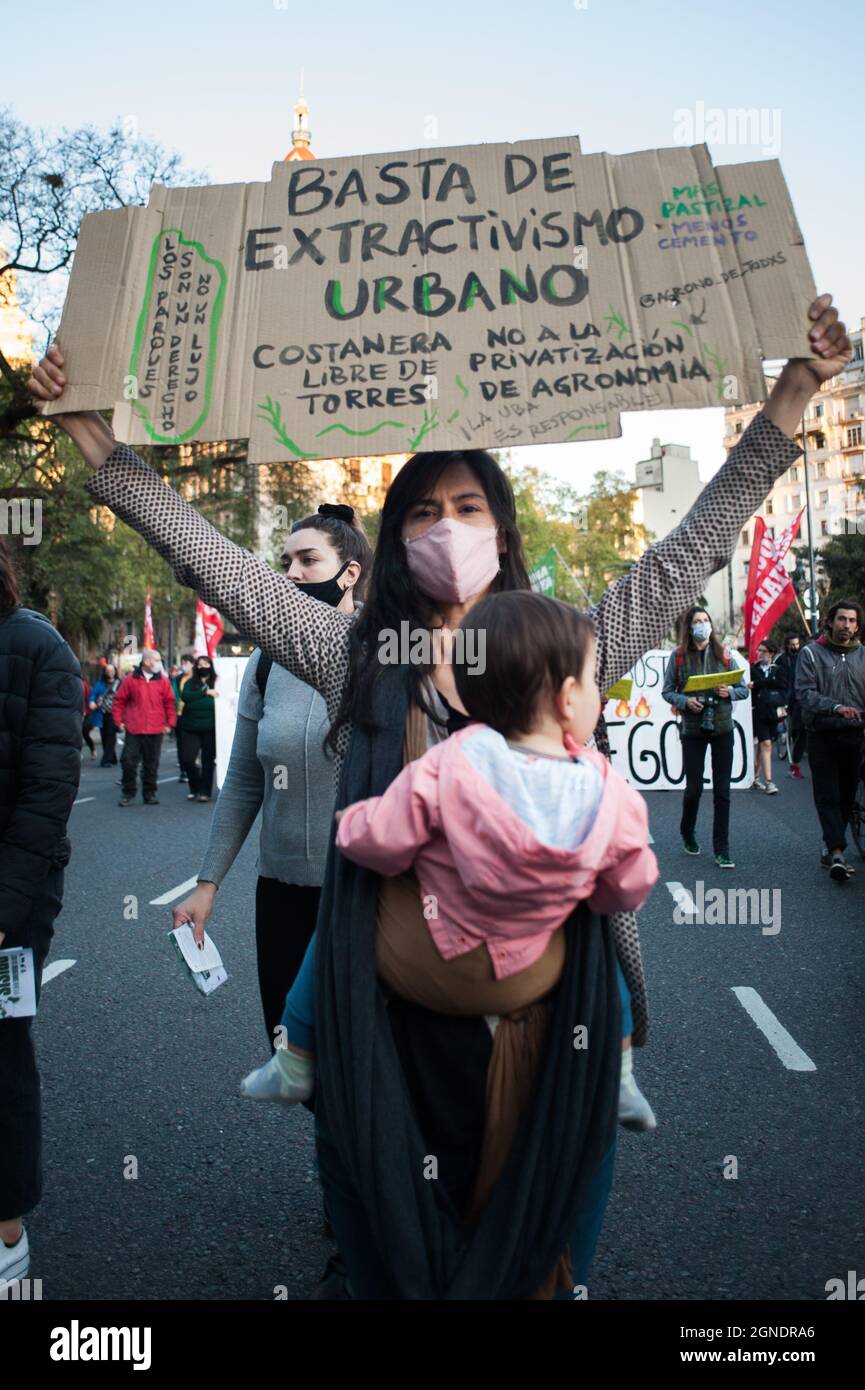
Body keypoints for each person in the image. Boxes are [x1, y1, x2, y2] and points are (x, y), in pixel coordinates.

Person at [28, 291, 850, 1298]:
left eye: (467, 508)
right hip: (382, 1044)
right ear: (393, 537)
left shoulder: (566, 642)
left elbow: (691, 550)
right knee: (394, 1268)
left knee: (538, 1272)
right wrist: (96, 448)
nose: (445, 528)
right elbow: (222, 568)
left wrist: (797, 390)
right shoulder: (350, 651)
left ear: (500, 535)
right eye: (421, 510)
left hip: (562, 1044)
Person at [241, 592, 659, 1134]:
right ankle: (620, 1075)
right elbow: (631, 880)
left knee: (338, 929)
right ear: (567, 698)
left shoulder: (452, 762)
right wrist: (595, 895)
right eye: (594, 682)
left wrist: (350, 824)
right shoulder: (606, 787)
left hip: (443, 945)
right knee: (608, 975)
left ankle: (296, 1058)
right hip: (536, 958)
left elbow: (388, 837)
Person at [172, 504, 370, 1045]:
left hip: (364, 895)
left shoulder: (386, 654)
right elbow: (242, 783)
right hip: (279, 895)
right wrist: (206, 884)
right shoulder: (265, 663)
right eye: (286, 561)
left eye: (309, 560)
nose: (292, 573)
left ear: (349, 573)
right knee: (292, 1049)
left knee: (362, 1058)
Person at [0, 536, 83, 1286]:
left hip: (11, 901)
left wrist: (3, 912)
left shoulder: (36, 647)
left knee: (0, 1055)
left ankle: (7, 1234)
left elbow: (46, 797)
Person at [662, 606, 749, 866]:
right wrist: (685, 701)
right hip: (692, 731)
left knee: (723, 791)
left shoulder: (724, 654)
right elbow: (667, 691)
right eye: (698, 621)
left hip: (722, 729)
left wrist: (729, 693)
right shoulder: (677, 657)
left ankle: (722, 849)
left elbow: (742, 689)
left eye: (706, 620)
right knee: (694, 789)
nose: (703, 625)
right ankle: (687, 831)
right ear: (689, 627)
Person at [795, 599, 865, 882]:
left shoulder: (862, 655)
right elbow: (804, 693)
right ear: (830, 622)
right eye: (841, 619)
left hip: (855, 735)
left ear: (857, 625)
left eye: (851, 620)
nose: (846, 625)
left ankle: (831, 844)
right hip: (822, 734)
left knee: (847, 796)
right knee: (827, 795)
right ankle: (836, 853)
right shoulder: (811, 654)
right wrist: (834, 707)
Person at [112, 649, 177, 806]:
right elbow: (119, 700)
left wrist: (170, 723)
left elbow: (170, 702)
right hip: (134, 728)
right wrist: (118, 720)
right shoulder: (130, 680)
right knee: (128, 761)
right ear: (147, 662)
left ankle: (149, 793)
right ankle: (128, 792)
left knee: (151, 763)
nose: (159, 663)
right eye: (157, 660)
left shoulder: (163, 680)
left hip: (155, 728)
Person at [178, 655, 219, 802]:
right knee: (187, 759)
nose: (203, 666)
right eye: (200, 664)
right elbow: (186, 697)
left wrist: (198, 699)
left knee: (208, 760)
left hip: (211, 728)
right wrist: (205, 693)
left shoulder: (217, 682)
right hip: (190, 727)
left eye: (206, 663)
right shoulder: (191, 683)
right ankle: (195, 787)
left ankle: (205, 791)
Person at [750, 638, 786, 793]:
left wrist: (759, 684)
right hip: (758, 712)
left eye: (763, 651)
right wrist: (767, 682)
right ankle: (769, 782)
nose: (759, 654)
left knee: (763, 745)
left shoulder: (779, 669)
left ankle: (755, 777)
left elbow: (782, 685)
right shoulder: (752, 669)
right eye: (759, 650)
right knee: (766, 744)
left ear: (771, 653)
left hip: (773, 713)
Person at [775, 634, 807, 778]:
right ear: (787, 645)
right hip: (788, 696)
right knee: (796, 729)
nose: (795, 647)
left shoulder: (802, 656)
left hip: (798, 697)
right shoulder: (782, 660)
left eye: (797, 644)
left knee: (799, 730)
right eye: (792, 644)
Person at [89, 662, 121, 766]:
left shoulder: (120, 683)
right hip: (102, 714)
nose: (110, 672)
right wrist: (92, 702)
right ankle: (113, 758)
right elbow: (93, 694)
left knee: (111, 736)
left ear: (115, 671)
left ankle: (106, 760)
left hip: (114, 714)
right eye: (108, 671)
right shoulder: (100, 683)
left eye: (112, 670)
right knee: (104, 737)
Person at [170, 654, 194, 783]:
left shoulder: (197, 678)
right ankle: (183, 770)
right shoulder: (177, 679)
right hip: (180, 714)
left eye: (186, 663)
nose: (184, 665)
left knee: (193, 743)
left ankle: (194, 767)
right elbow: (173, 694)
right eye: (183, 662)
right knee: (181, 743)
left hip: (194, 714)